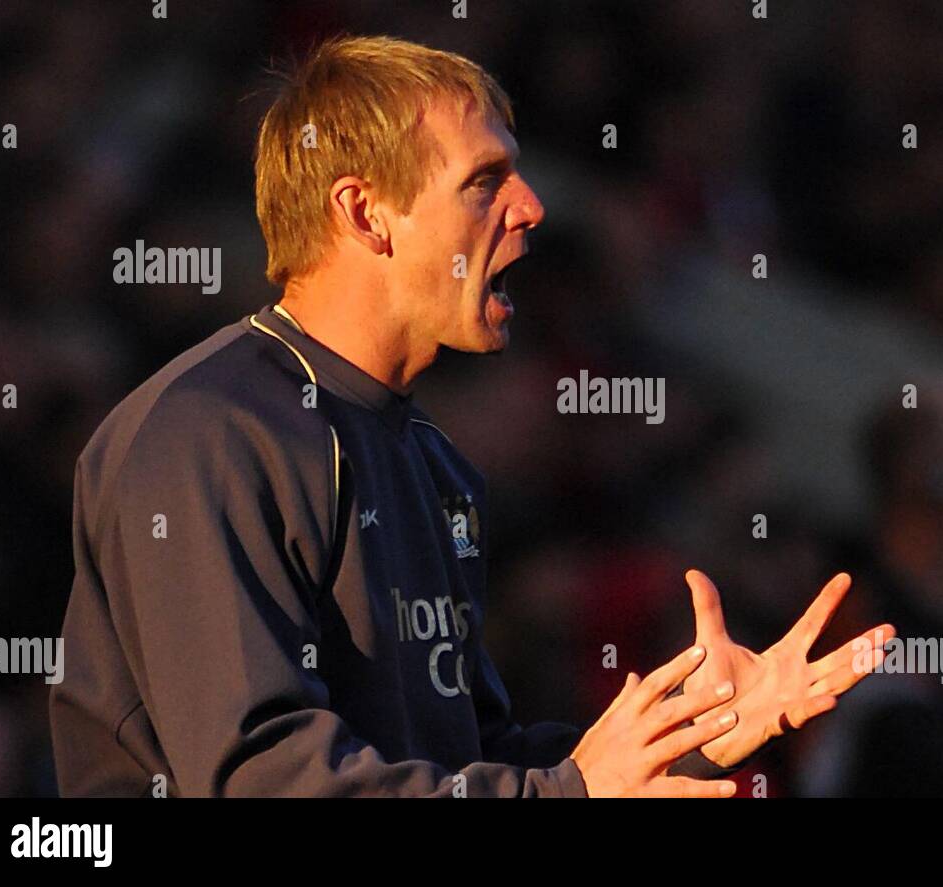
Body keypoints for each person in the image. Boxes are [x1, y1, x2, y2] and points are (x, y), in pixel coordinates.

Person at [50, 35, 893, 797]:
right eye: (485, 181)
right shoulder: (208, 433)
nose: (530, 207)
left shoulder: (434, 462)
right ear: (364, 213)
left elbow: (472, 757)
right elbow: (257, 777)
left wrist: (696, 739)